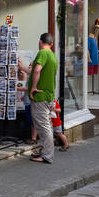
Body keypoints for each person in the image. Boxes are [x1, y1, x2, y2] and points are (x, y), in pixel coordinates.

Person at [28, 32, 58, 165]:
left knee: (43, 126)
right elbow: (38, 71)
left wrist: (33, 87)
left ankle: (47, 155)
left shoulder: (42, 53)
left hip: (40, 96)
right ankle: (45, 151)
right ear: (51, 44)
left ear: (40, 42)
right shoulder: (53, 56)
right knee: (46, 125)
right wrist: (23, 67)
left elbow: (37, 70)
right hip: (48, 95)